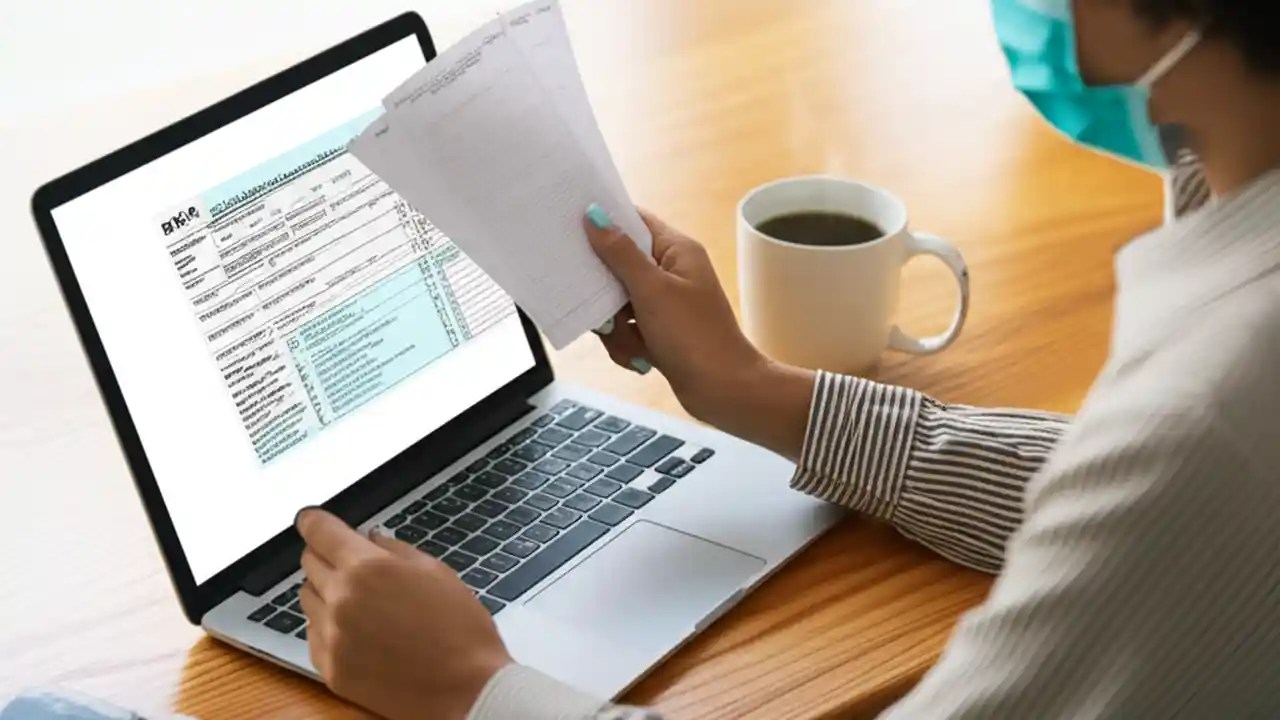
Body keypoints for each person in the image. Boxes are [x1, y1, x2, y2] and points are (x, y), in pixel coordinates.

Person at [292, 0, 1280, 717]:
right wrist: (761, 395)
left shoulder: (1208, 423)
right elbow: (1148, 505)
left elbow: (1175, 483)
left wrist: (474, 690)